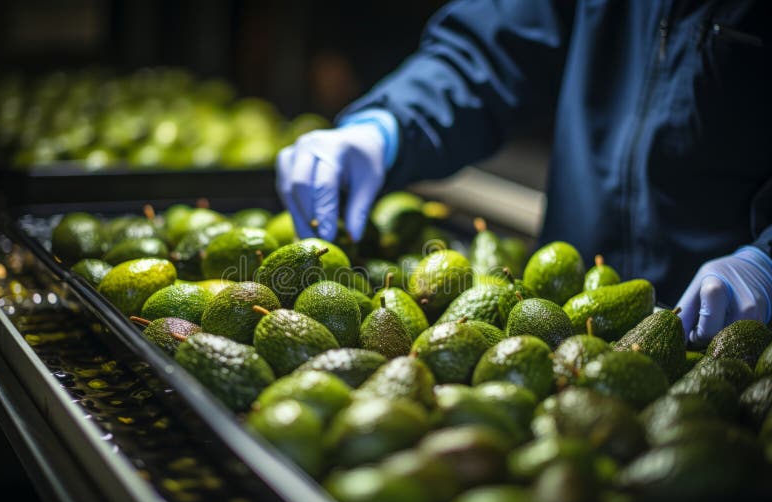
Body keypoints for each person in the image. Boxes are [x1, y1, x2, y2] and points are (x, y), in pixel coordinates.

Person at [276, 0, 771, 345]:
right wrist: (391, 122)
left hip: (737, 355)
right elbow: (492, 44)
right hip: (556, 321)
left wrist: (765, 261)